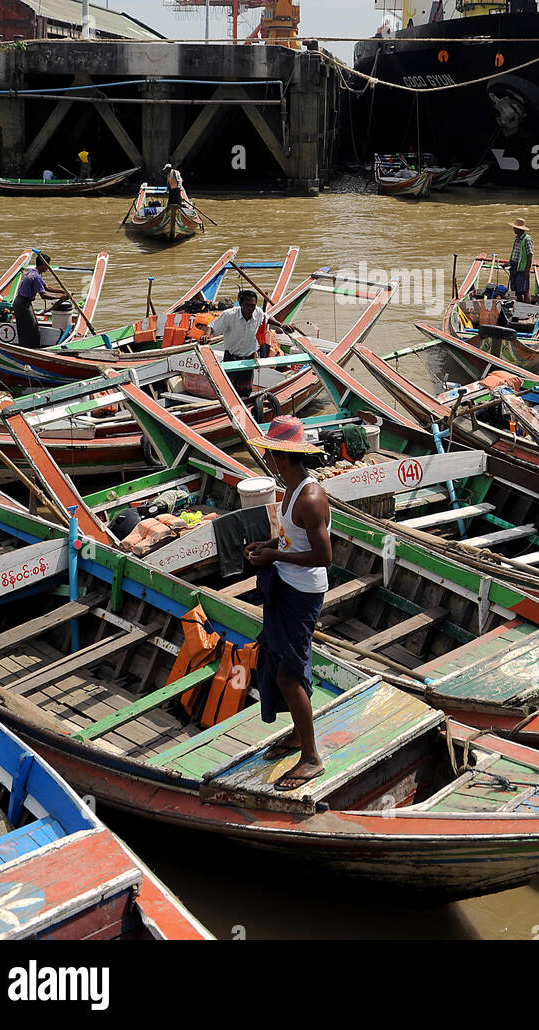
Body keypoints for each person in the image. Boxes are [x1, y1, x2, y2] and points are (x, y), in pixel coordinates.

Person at [244, 416, 331, 791]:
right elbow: (293, 540)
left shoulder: (310, 497)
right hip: (286, 586)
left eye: (270, 454)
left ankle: (311, 757)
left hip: (302, 594)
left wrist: (275, 559)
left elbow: (324, 556)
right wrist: (270, 547)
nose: (267, 459)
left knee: (289, 674)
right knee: (280, 663)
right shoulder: (291, 489)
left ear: (282, 457)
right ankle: (298, 735)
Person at [201, 288, 269, 396]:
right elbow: (212, 326)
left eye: (253, 305)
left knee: (245, 391)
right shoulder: (229, 315)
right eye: (247, 305)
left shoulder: (259, 313)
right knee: (228, 390)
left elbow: (267, 318)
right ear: (241, 304)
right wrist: (206, 336)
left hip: (248, 359)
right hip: (231, 357)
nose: (250, 308)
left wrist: (282, 325)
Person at [12, 252, 60, 348]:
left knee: (25, 327)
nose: (48, 268)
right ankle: (31, 348)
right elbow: (44, 295)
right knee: (32, 328)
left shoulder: (33, 272)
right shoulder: (36, 277)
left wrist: (63, 291)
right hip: (23, 304)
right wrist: (60, 297)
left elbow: (47, 287)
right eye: (47, 265)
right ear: (43, 264)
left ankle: (26, 346)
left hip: (21, 302)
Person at [505, 215, 533, 302]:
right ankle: (519, 308)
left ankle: (527, 307)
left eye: (515, 228)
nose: (513, 229)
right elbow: (514, 253)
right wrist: (508, 263)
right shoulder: (517, 238)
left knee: (524, 290)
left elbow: (530, 255)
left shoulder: (527, 239)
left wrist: (527, 271)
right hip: (514, 266)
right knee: (517, 291)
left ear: (519, 229)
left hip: (522, 267)